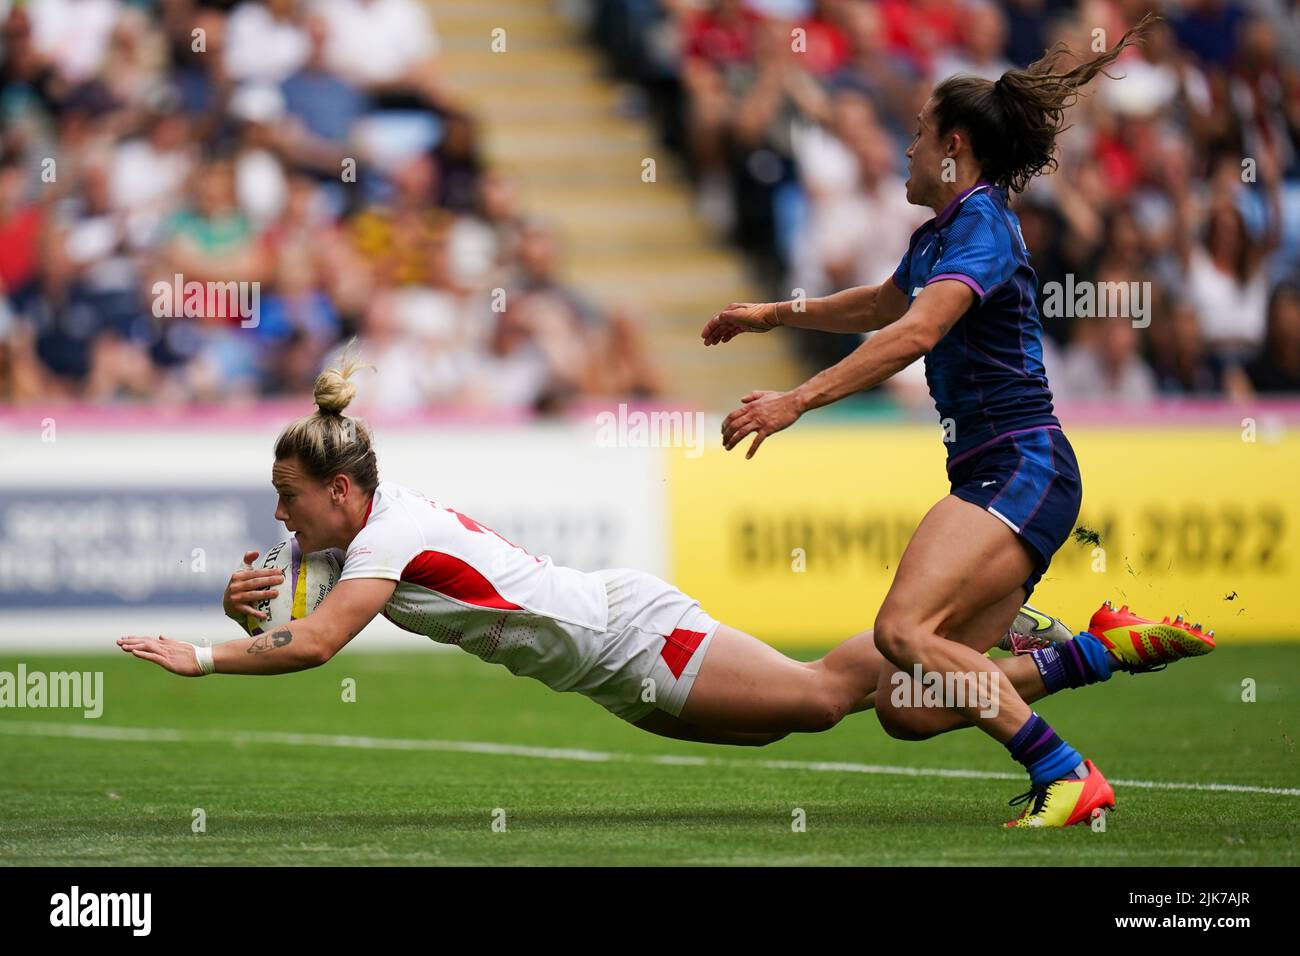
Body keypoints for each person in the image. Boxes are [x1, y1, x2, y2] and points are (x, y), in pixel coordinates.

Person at [120, 344, 1211, 775]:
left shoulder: (383, 532)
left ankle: (1049, 651)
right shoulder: (350, 533)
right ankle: (1076, 652)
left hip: (634, 636)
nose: (279, 513)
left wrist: (205, 656)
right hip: (616, 670)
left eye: (290, 497)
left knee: (841, 693)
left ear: (342, 491)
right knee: (860, 701)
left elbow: (308, 646)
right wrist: (238, 603)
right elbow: (288, 619)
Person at [699, 12, 1215, 826]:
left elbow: (914, 331)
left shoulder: (979, 224)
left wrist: (796, 399)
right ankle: (1094, 650)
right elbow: (879, 303)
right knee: (908, 704)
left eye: (916, 134)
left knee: (903, 629)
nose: (907, 150)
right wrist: (772, 314)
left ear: (955, 147)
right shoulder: (938, 235)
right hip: (1002, 472)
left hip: (1021, 464)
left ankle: (1067, 772)